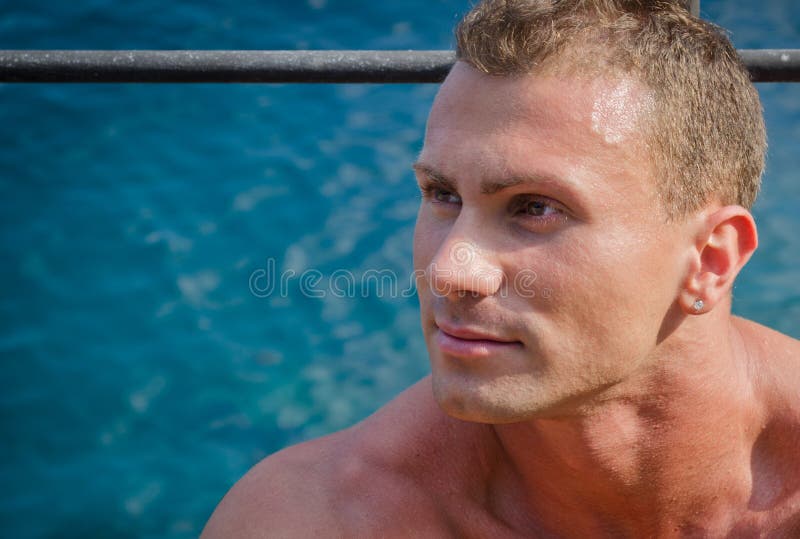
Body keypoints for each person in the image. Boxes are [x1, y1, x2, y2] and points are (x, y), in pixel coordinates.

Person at [203, 0, 800, 536]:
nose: (448, 271)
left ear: (710, 259)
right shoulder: (315, 518)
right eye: (442, 194)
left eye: (535, 207)